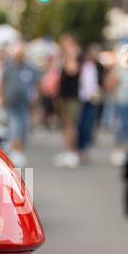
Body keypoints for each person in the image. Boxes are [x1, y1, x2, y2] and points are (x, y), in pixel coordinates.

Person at [1, 38, 37, 166]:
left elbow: (35, 85)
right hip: (12, 101)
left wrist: (35, 99)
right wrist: (2, 97)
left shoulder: (30, 68)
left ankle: (18, 149)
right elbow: (3, 83)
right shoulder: (9, 67)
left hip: (25, 103)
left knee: (24, 126)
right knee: (14, 125)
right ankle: (15, 151)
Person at [52, 33, 82, 168]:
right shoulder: (63, 56)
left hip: (72, 97)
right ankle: (66, 151)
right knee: (65, 125)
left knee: (71, 125)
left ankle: (71, 152)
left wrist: (69, 56)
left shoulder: (75, 55)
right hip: (63, 96)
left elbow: (72, 70)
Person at [76, 43, 103, 159]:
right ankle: (80, 146)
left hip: (93, 99)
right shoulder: (81, 65)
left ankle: (85, 146)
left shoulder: (98, 67)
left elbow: (101, 81)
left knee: (89, 123)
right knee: (81, 123)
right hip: (82, 98)